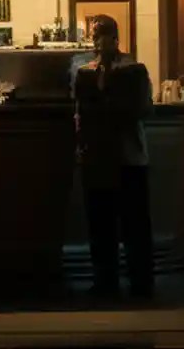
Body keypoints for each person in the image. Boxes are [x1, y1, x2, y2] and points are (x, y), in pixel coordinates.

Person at [73, 15, 155, 299]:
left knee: (133, 225)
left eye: (101, 35)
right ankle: (107, 281)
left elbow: (140, 109)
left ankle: (139, 282)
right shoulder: (86, 71)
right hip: (101, 154)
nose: (96, 42)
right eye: (94, 36)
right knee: (102, 224)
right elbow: (82, 112)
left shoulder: (132, 70)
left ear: (115, 38)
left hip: (124, 154)